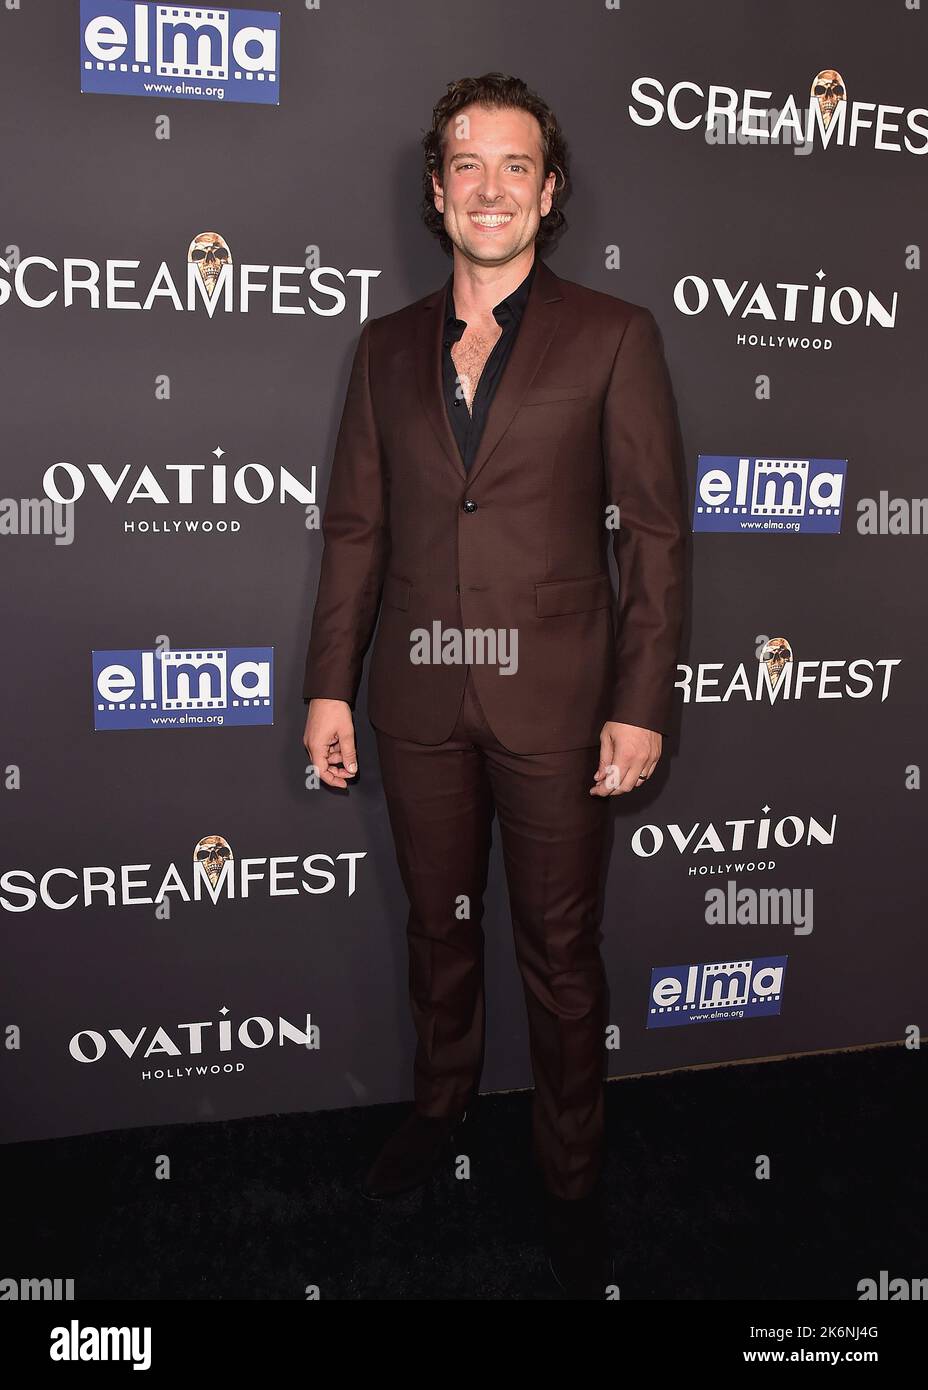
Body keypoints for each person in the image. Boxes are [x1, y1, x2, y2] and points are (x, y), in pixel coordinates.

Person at [302, 72, 686, 1299]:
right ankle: (439, 1103)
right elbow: (356, 531)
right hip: (417, 700)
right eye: (466, 164)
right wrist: (327, 687)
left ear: (549, 191)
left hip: (560, 703)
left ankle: (569, 1176)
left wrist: (640, 702)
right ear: (436, 189)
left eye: (514, 165)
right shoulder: (381, 347)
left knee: (561, 954)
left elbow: (658, 540)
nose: (489, 186)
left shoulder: (614, 335)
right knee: (438, 930)